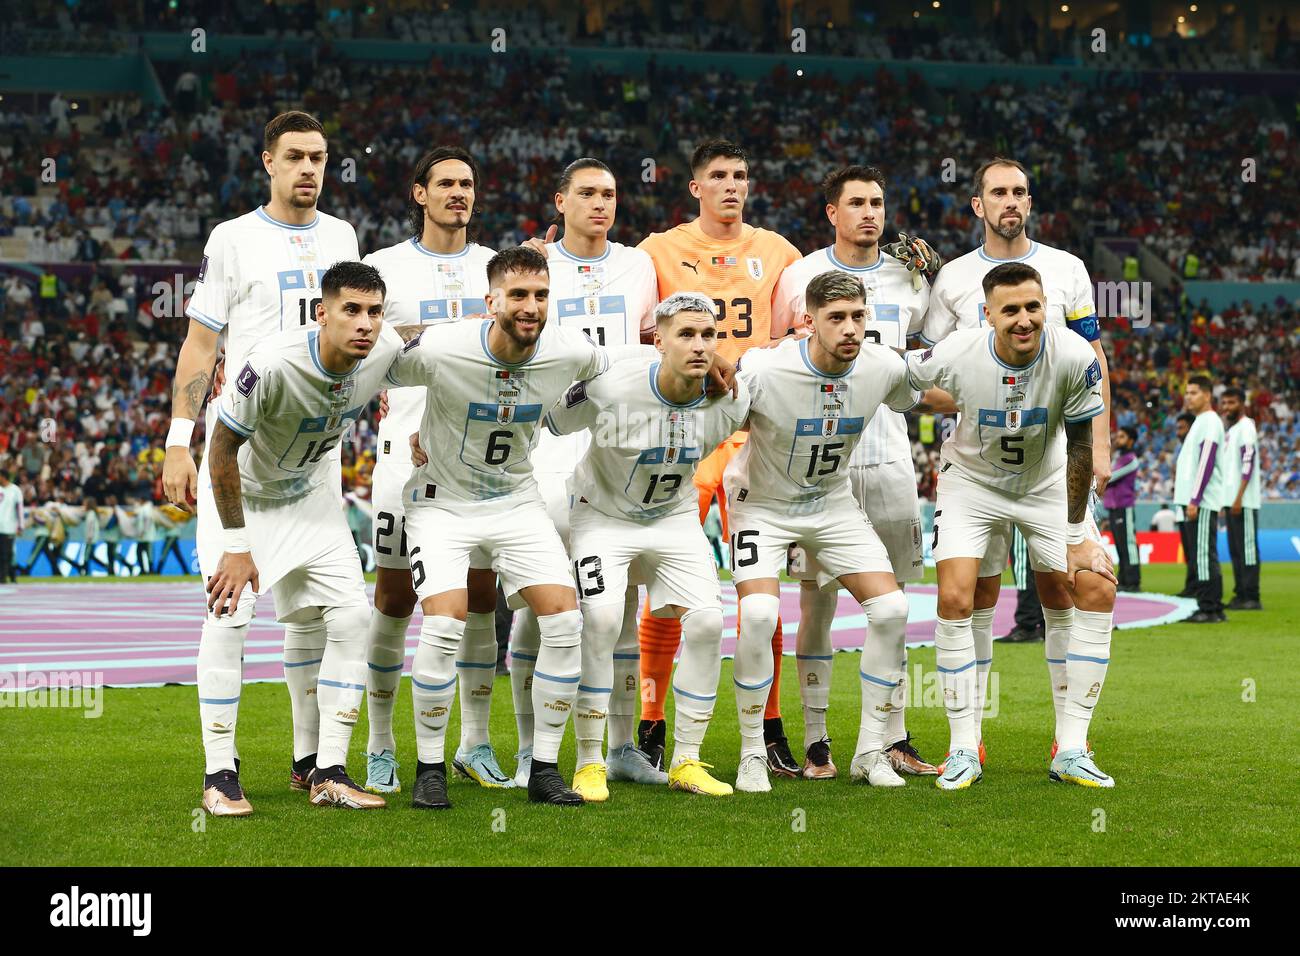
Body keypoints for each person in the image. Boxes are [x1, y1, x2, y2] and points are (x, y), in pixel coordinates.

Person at [383, 247, 703, 808]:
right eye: (517, 296)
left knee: (563, 618)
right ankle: (429, 767)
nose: (530, 307)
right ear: (491, 302)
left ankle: (545, 768)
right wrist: (411, 431)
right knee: (444, 622)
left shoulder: (569, 349)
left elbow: (630, 359)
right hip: (442, 503)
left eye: (540, 296)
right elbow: (378, 363)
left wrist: (702, 362)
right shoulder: (444, 346)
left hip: (516, 502)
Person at [163, 111, 361, 809]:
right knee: (230, 611)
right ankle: (220, 771)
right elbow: (200, 345)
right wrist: (177, 440)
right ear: (267, 162)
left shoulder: (341, 236)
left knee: (324, 616)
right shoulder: (234, 240)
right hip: (238, 454)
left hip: (314, 459)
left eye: (320, 157)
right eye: (296, 157)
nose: (310, 169)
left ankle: (316, 766)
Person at [725, 270, 950, 792]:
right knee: (759, 614)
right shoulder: (766, 367)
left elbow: (926, 391)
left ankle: (870, 751)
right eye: (836, 318)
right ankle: (752, 753)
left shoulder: (882, 366)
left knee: (892, 608)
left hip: (831, 504)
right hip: (762, 505)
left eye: (858, 317)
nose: (850, 329)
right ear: (808, 322)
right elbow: (723, 414)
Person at [906, 262, 1117, 790]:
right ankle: (963, 747)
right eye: (1011, 310)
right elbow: (900, 377)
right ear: (988, 315)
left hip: (1046, 482)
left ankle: (1071, 746)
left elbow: (1082, 448)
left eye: (1033, 307)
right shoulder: (958, 351)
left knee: (1091, 586)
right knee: (956, 598)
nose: (1024, 320)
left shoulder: (1074, 354)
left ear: (1045, 306)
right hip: (972, 484)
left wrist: (1074, 540)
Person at [202, 261, 401, 815]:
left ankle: (328, 772)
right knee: (230, 614)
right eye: (351, 310)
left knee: (352, 618)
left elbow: (444, 354)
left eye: (374, 312)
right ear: (322, 313)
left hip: (309, 498)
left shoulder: (383, 352)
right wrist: (238, 545)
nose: (365, 324)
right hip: (240, 495)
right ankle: (219, 772)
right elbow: (220, 451)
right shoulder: (269, 364)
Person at [636, 139, 803, 775]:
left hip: (753, 430)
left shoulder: (779, 253)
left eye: (740, 175)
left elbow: (799, 335)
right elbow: (635, 331)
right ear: (695, 188)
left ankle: (770, 723)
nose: (732, 185)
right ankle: (651, 723)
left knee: (761, 588)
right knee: (667, 584)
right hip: (681, 428)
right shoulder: (656, 252)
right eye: (719, 177)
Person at [770, 163, 941, 778]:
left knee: (893, 600)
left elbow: (932, 359)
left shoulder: (912, 276)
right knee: (816, 602)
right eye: (857, 203)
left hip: (890, 456)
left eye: (878, 201)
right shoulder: (800, 275)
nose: (871, 213)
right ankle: (817, 739)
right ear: (831, 213)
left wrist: (937, 280)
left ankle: (892, 734)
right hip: (818, 466)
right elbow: (775, 362)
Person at [545, 292, 749, 800]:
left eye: (708, 335)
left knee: (707, 621)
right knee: (602, 621)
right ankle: (589, 761)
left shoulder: (729, 400)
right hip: (603, 517)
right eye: (685, 334)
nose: (699, 345)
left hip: (673, 518)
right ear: (657, 340)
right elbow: (552, 419)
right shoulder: (612, 384)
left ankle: (687, 760)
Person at [922, 158, 1112, 661]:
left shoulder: (1067, 268)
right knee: (973, 593)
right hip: (976, 463)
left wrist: (1102, 446)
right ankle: (971, 735)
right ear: (978, 205)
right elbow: (926, 372)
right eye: (999, 193)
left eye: (1019, 192)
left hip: (1049, 460)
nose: (1011, 201)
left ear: (1029, 201)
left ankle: (1067, 736)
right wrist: (980, 395)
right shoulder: (953, 279)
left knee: (1061, 583)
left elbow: (1093, 360)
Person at [510, 157, 661, 789]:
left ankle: (621, 745)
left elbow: (653, 346)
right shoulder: (532, 265)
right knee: (540, 603)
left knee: (620, 603)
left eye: (611, 193)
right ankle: (528, 750)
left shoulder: (637, 266)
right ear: (560, 201)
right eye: (588, 194)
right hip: (548, 443)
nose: (601, 204)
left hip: (615, 448)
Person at [359, 146, 504, 795]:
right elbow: (359, 352)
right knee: (394, 598)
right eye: (445, 183)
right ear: (419, 193)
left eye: (467, 184)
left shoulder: (494, 268)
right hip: (401, 454)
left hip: (476, 456)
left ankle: (474, 742)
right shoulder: (381, 267)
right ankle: (381, 745)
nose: (458, 193)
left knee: (479, 598)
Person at [1174, 376, 1227, 623]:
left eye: (1194, 392)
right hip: (1196, 500)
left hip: (1202, 501)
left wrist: (1195, 499)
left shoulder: (1209, 421)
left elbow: (1206, 460)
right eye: (1187, 393)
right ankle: (1211, 606)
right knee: (1201, 554)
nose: (1188, 397)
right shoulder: (1200, 422)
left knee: (1204, 555)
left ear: (1207, 395)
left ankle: (1209, 607)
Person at [1221, 388, 1262, 610]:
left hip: (1243, 501)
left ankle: (1252, 596)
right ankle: (1240, 594)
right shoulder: (1233, 430)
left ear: (1242, 404)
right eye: (1225, 403)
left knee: (1247, 549)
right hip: (1232, 501)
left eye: (1232, 403)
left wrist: (1238, 498)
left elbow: (1249, 463)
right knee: (1236, 551)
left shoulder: (1247, 427)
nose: (1227, 407)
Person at [1105, 426, 1142, 591]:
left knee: (1129, 543)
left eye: (1122, 436)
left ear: (1131, 440)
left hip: (1124, 506)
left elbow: (1110, 476)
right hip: (1113, 507)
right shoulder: (1119, 458)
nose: (1117, 439)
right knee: (1121, 544)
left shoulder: (1131, 459)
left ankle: (1133, 580)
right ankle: (1125, 578)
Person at [0, 470, 22, 583]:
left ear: (4, 477)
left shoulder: (15, 490)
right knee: (3, 554)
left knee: (7, 554)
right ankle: (8, 577)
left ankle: (5, 577)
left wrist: (20, 525)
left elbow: (19, 509)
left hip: (9, 527)